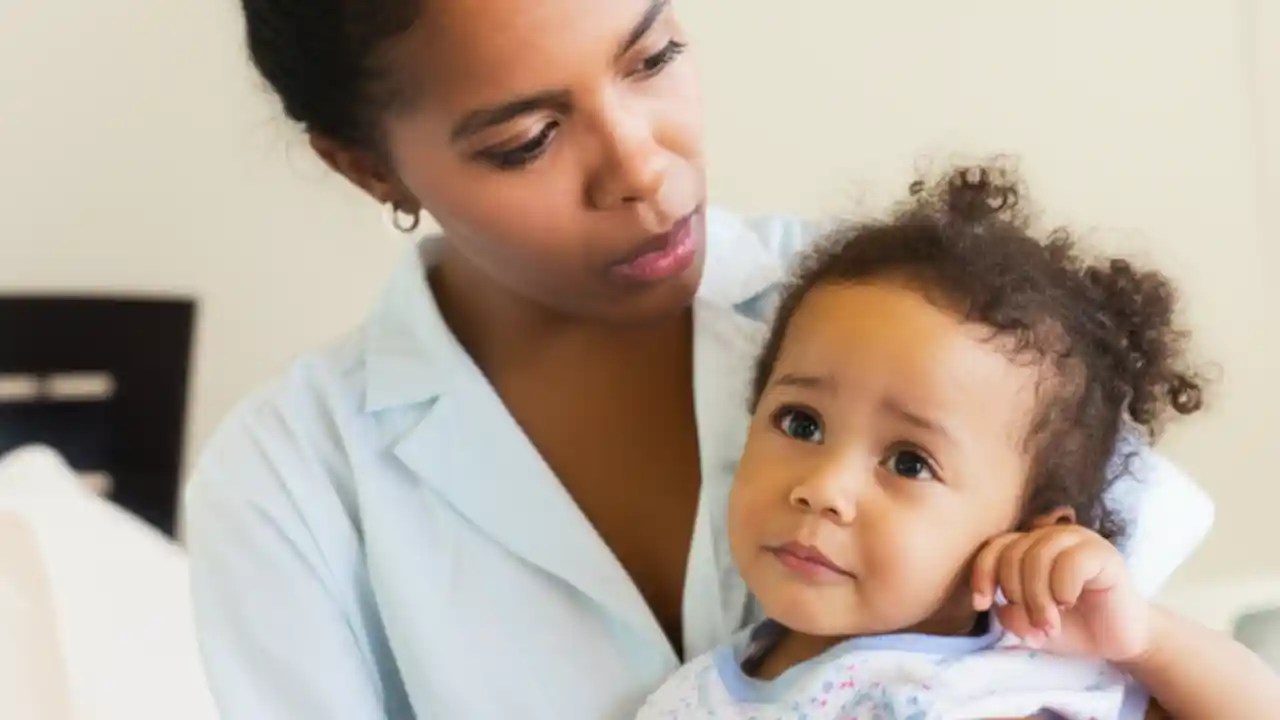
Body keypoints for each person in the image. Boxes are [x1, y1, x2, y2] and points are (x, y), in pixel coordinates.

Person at [185, 2, 1213, 718]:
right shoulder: (286, 481)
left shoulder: (933, 327)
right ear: (368, 167)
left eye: (653, 58)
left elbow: (1149, 663)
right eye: (528, 140)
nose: (641, 167)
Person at [636, 166, 1280, 719]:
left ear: (1026, 530)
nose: (823, 488)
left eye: (909, 462)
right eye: (801, 424)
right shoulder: (692, 703)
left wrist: (1145, 640)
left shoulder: (1039, 659)